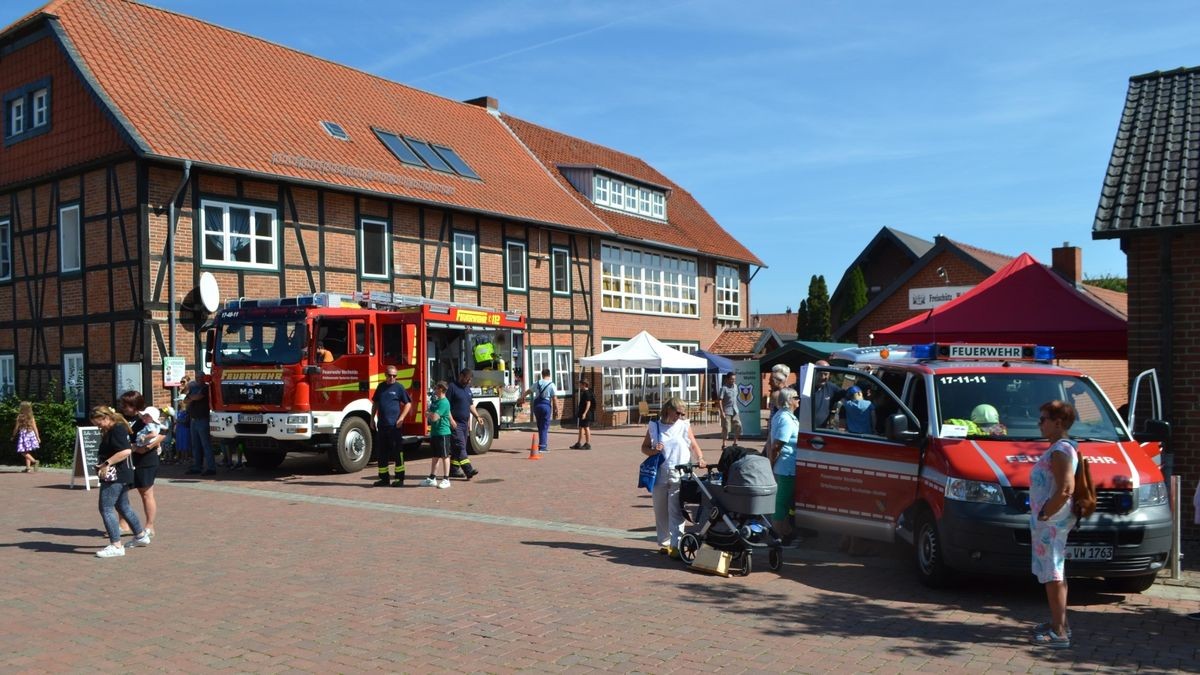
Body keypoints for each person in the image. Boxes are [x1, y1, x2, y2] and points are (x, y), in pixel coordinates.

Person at [1029, 400, 1079, 649]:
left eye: (1043, 419)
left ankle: (1059, 633)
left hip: (1052, 524)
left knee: (1053, 574)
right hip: (1051, 523)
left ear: (1058, 423)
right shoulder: (1058, 448)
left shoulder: (1061, 449)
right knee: (1054, 571)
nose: (1040, 424)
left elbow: (1066, 487)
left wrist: (1045, 513)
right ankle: (1061, 623)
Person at [640, 397, 705, 558]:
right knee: (660, 509)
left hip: (679, 472)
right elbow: (644, 448)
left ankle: (676, 545)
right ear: (668, 409)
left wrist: (700, 458)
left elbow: (693, 444)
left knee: (676, 509)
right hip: (660, 472)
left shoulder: (683, 425)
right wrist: (654, 450)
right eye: (678, 412)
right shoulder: (655, 426)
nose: (680, 416)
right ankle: (664, 543)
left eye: (683, 413)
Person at [89, 405, 152, 558]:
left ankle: (116, 545)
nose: (97, 426)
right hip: (123, 474)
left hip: (116, 475)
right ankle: (140, 535)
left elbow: (125, 451)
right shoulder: (115, 428)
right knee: (122, 506)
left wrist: (106, 463)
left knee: (106, 508)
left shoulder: (116, 429)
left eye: (98, 423)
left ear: (105, 417)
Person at [119, 391, 164, 538]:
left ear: (135, 405)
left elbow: (162, 433)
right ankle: (123, 524)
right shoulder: (120, 418)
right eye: (123, 405)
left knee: (145, 493)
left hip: (146, 459)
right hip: (127, 458)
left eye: (127, 405)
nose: (123, 408)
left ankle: (150, 526)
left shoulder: (146, 416)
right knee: (121, 491)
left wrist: (145, 448)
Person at [371, 365, 413, 487]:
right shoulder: (381, 387)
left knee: (397, 452)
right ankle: (384, 479)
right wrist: (372, 419)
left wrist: (401, 418)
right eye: (390, 375)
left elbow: (408, 404)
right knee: (381, 453)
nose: (392, 378)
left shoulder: (399, 388)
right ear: (385, 375)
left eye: (394, 376)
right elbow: (375, 403)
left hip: (394, 427)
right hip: (382, 426)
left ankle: (399, 479)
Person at [768, 388, 800, 544]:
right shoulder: (786, 419)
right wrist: (772, 463)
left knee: (785, 502)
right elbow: (776, 446)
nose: (799, 399)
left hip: (786, 466)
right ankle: (778, 537)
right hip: (786, 467)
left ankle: (786, 532)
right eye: (796, 397)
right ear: (789, 401)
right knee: (781, 503)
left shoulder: (784, 416)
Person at [446, 368, 482, 479]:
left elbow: (470, 405)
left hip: (464, 423)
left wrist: (477, 416)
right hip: (455, 423)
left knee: (459, 447)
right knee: (460, 446)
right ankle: (468, 469)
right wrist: (451, 420)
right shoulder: (452, 387)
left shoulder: (467, 389)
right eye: (467, 379)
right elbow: (446, 406)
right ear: (461, 376)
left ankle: (454, 469)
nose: (468, 382)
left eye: (470, 380)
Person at [422, 381, 455, 489]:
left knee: (445, 456)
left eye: (436, 388)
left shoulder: (444, 402)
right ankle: (432, 478)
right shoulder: (436, 401)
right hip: (435, 432)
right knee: (435, 456)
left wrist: (429, 414)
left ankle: (446, 479)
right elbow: (427, 413)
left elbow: (434, 417)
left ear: (441, 389)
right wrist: (430, 414)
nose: (434, 389)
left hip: (443, 433)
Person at [184, 377, 217, 476]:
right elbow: (185, 400)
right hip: (193, 420)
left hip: (203, 419)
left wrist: (191, 397)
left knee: (206, 444)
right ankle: (197, 466)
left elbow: (198, 397)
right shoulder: (193, 389)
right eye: (197, 378)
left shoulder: (206, 388)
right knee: (195, 445)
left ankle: (211, 468)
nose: (198, 380)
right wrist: (191, 397)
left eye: (200, 377)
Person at [522, 368, 559, 455]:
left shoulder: (537, 383)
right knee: (545, 426)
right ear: (549, 375)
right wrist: (556, 409)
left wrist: (522, 396)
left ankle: (541, 444)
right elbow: (554, 398)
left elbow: (529, 391)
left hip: (537, 405)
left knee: (540, 425)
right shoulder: (551, 384)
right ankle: (543, 447)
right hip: (546, 405)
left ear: (542, 375)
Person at [811, 360, 843, 429]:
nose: (823, 377)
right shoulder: (804, 386)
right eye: (820, 374)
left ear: (829, 374)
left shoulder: (831, 388)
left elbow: (849, 393)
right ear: (814, 373)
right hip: (803, 430)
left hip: (821, 431)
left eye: (826, 374)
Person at [12, 401, 40, 472]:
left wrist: (13, 435)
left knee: (22, 451)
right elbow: (35, 428)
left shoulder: (20, 417)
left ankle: (34, 461)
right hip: (31, 434)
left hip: (24, 435)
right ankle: (28, 468)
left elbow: (16, 428)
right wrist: (38, 437)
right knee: (27, 451)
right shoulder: (31, 417)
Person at [716, 372, 741, 449]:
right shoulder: (724, 388)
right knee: (726, 428)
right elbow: (720, 400)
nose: (733, 380)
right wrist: (722, 411)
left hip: (735, 410)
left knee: (738, 425)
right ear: (727, 379)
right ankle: (724, 444)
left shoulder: (736, 387)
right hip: (726, 411)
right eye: (732, 379)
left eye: (734, 379)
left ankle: (735, 442)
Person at [570, 378, 595, 450]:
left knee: (586, 428)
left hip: (586, 414)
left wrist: (584, 413)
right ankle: (578, 443)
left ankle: (587, 444)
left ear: (584, 384)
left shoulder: (587, 393)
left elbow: (588, 403)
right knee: (581, 428)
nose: (579, 386)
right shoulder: (585, 392)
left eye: (580, 384)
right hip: (583, 413)